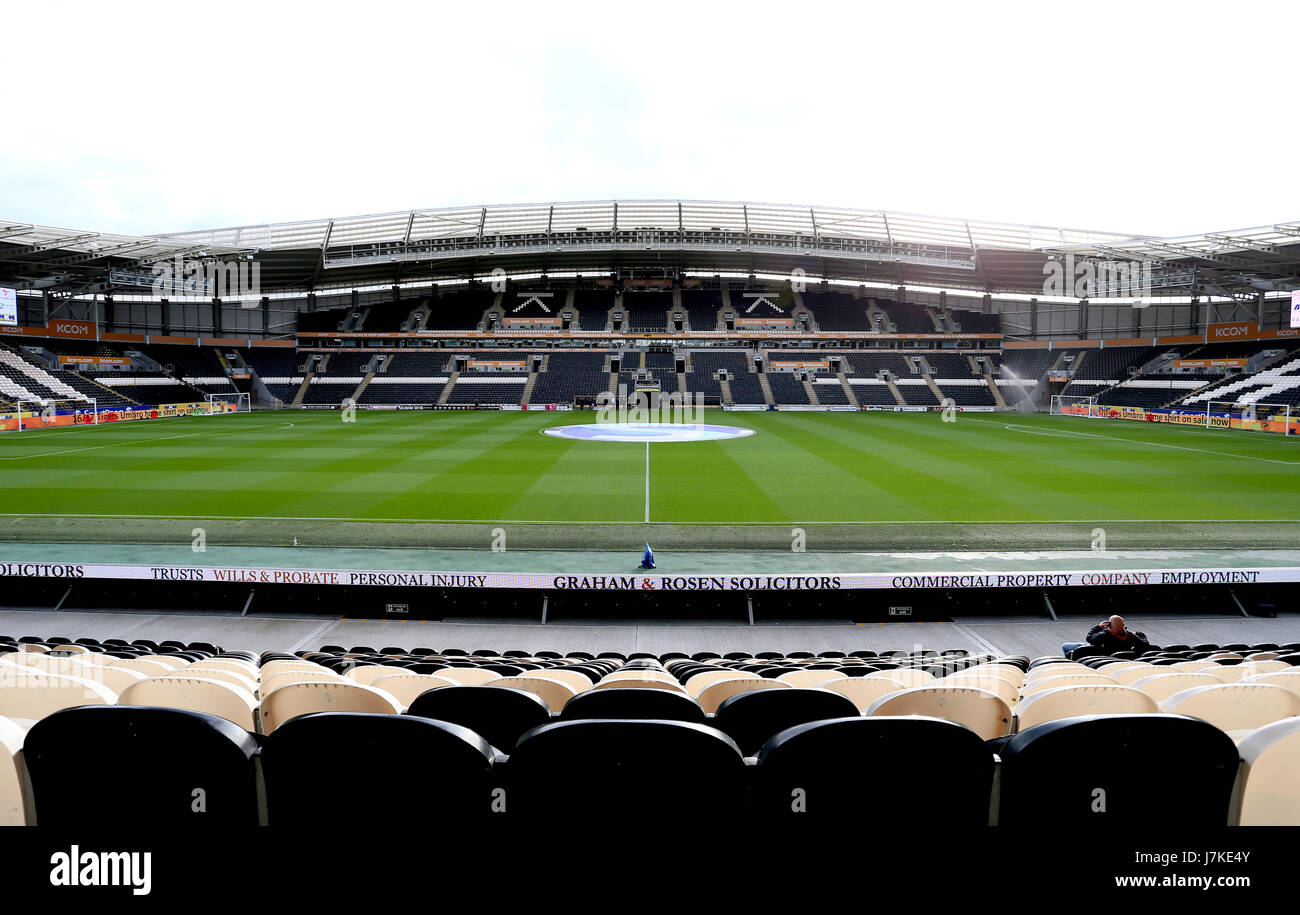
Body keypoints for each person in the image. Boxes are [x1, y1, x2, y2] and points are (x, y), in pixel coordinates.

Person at [1061, 615, 1151, 659]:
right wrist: (1140, 634)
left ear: (1110, 625)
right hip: (1115, 657)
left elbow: (1089, 638)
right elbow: (1145, 645)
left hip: (1100, 652)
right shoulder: (1130, 635)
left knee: (1066, 646)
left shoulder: (1104, 635)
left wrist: (1098, 627)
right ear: (1123, 625)